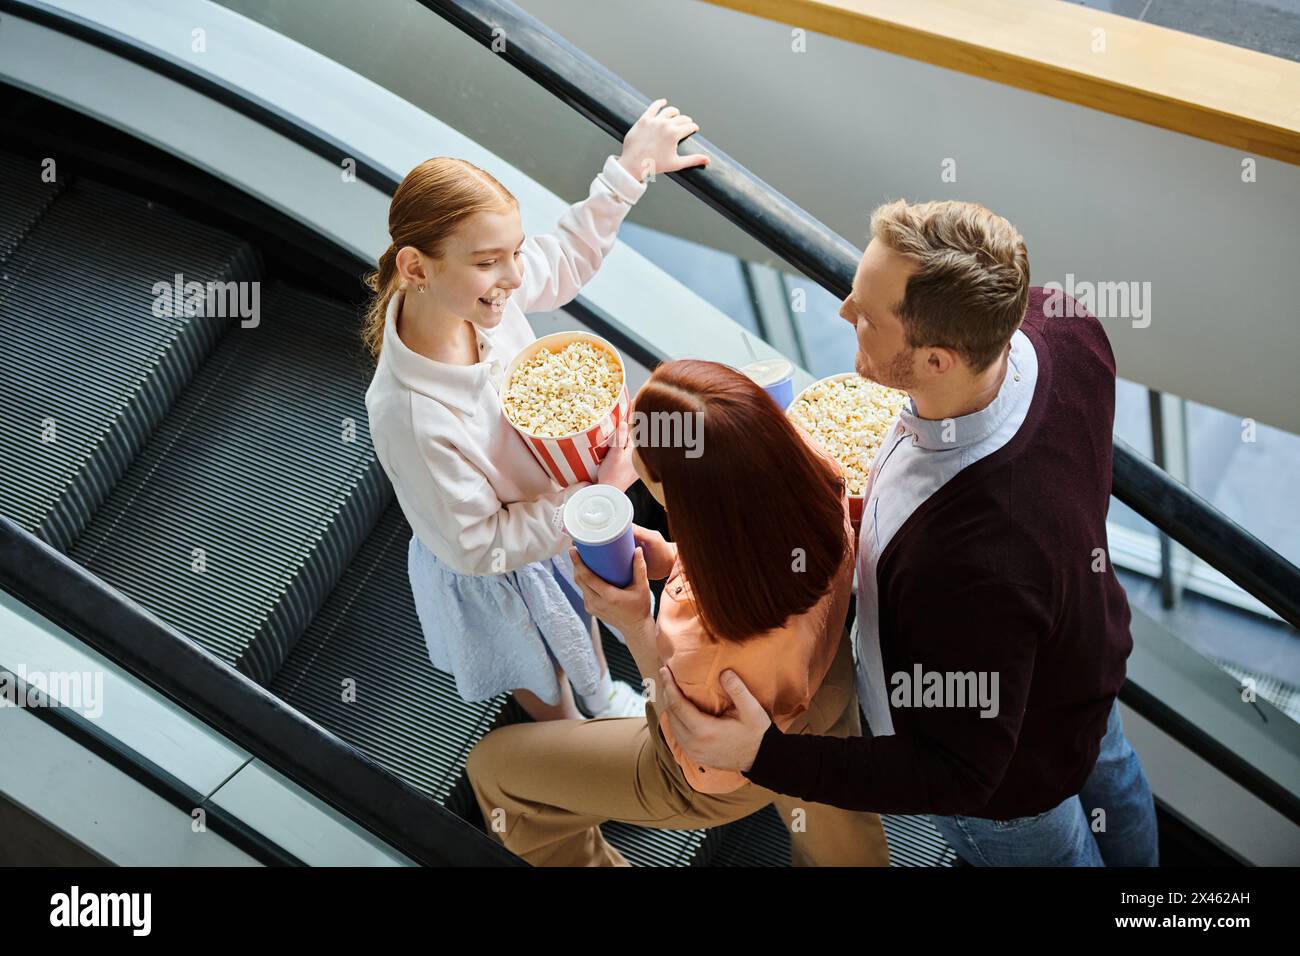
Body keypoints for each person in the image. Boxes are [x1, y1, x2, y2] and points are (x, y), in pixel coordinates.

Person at [657, 200, 1159, 866]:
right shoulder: (1066, 328)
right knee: (1118, 797)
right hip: (1086, 667)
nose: (842, 313)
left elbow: (955, 773)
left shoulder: (963, 563)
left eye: (866, 315)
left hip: (1012, 794)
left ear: (939, 361)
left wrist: (765, 755)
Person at [465, 360, 890, 866]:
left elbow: (696, 744)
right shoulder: (824, 476)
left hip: (722, 765)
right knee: (834, 825)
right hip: (823, 685)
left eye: (643, 474)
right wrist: (676, 557)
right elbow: (751, 532)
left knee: (495, 770)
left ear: (685, 501)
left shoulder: (701, 645)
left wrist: (637, 626)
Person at [363, 99, 709, 721]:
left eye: (515, 251)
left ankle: (602, 697)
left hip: (555, 522)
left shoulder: (488, 304)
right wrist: (597, 493)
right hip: (496, 577)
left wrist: (631, 170)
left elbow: (567, 257)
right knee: (540, 674)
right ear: (417, 266)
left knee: (585, 626)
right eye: (488, 261)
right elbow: (477, 545)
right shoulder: (410, 415)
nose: (515, 276)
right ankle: (568, 738)